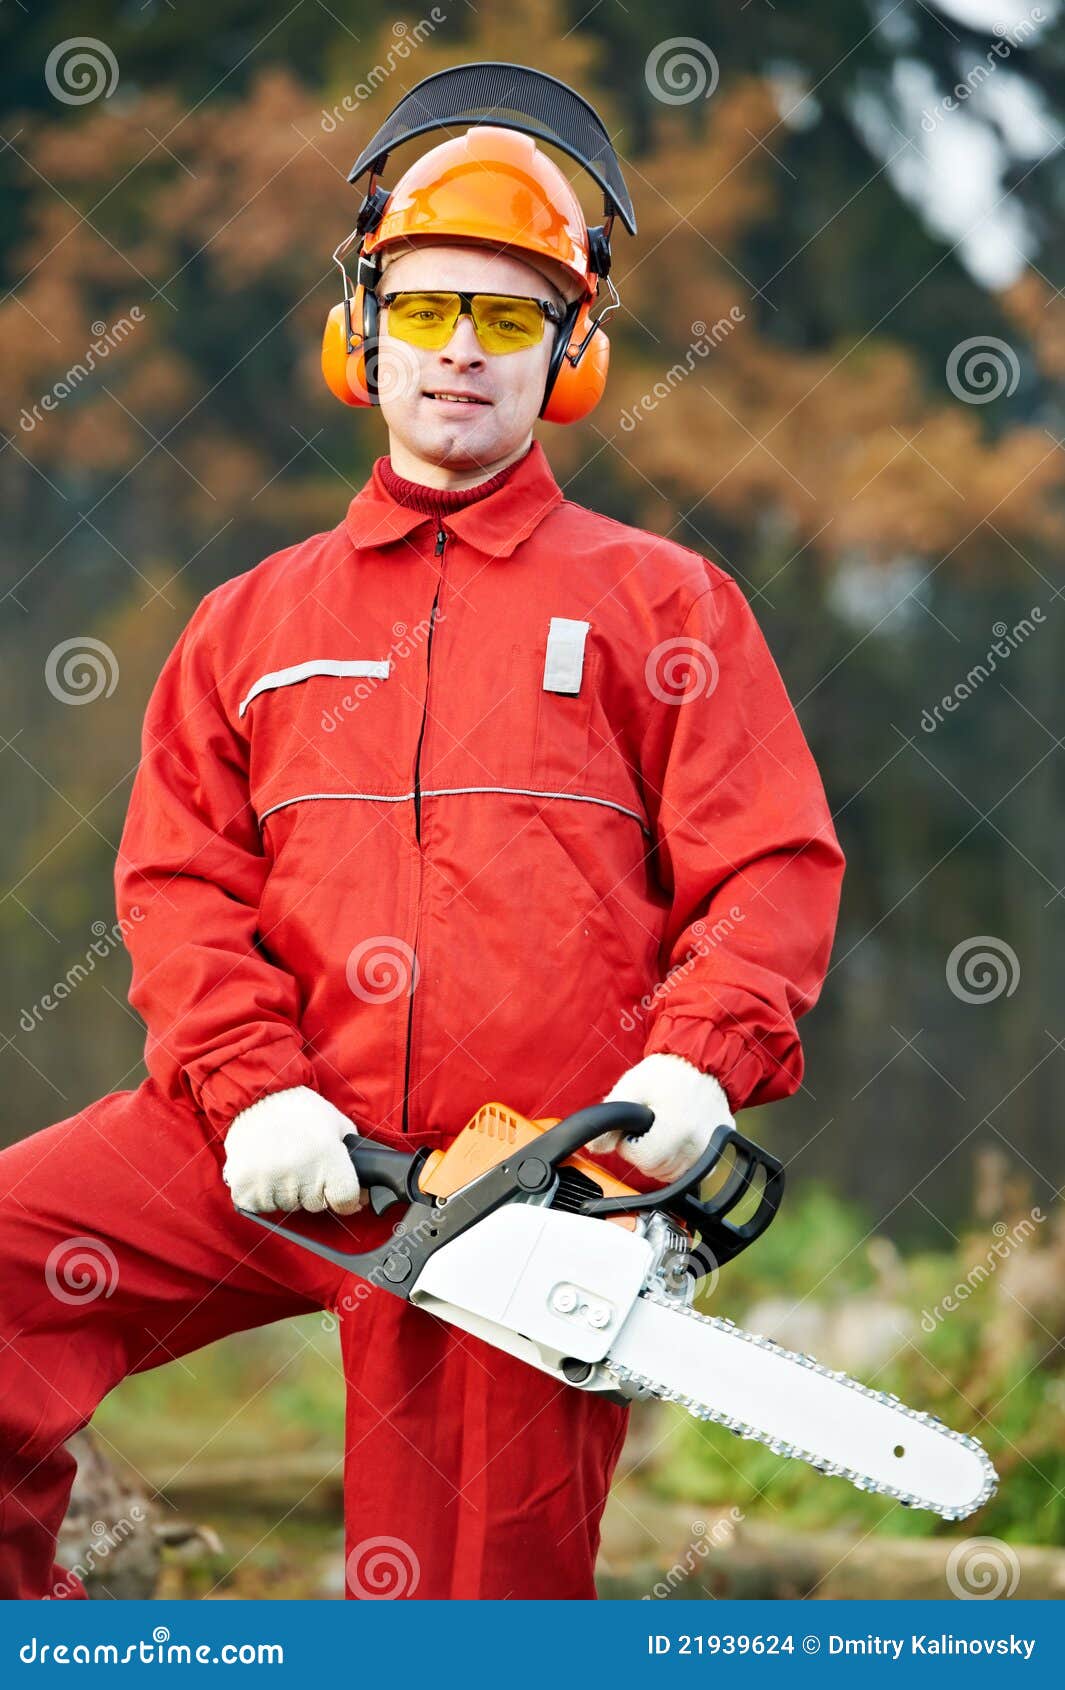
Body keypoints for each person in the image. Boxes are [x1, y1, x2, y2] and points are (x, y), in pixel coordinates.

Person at [0, 100, 845, 1602]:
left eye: (509, 316)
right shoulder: (249, 624)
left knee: (461, 1608)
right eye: (429, 306)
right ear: (362, 330)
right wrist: (254, 1093)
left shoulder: (668, 605)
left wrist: (691, 1066)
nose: (462, 346)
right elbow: (181, 886)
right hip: (268, 1145)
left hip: (524, 1186)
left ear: (567, 353)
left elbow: (769, 864)